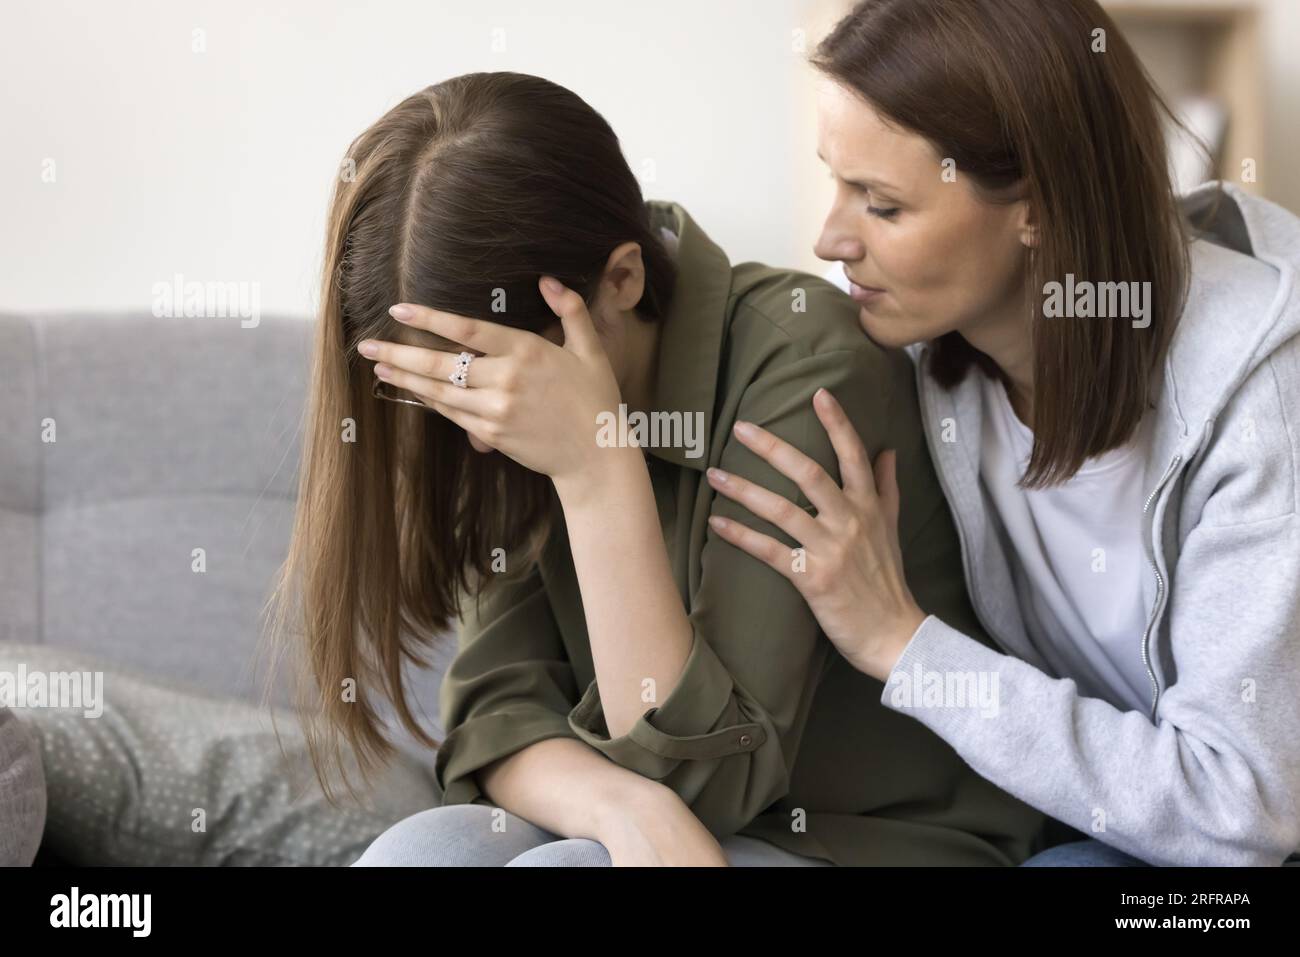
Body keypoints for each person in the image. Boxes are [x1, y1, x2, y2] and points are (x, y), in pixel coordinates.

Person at [264, 70, 1047, 866]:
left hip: (878, 839)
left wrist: (597, 471)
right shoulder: (487, 401)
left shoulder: (804, 366)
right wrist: (619, 803)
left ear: (623, 281)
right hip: (647, 813)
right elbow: (495, 713)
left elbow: (710, 779)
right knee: (418, 854)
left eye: (491, 382)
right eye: (445, 398)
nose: (481, 435)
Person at [707, 0, 1300, 866]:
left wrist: (905, 645)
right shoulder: (924, 351)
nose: (830, 238)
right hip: (1095, 825)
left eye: (881, 205)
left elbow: (1240, 812)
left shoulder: (1261, 399)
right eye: (836, 181)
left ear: (1036, 207)